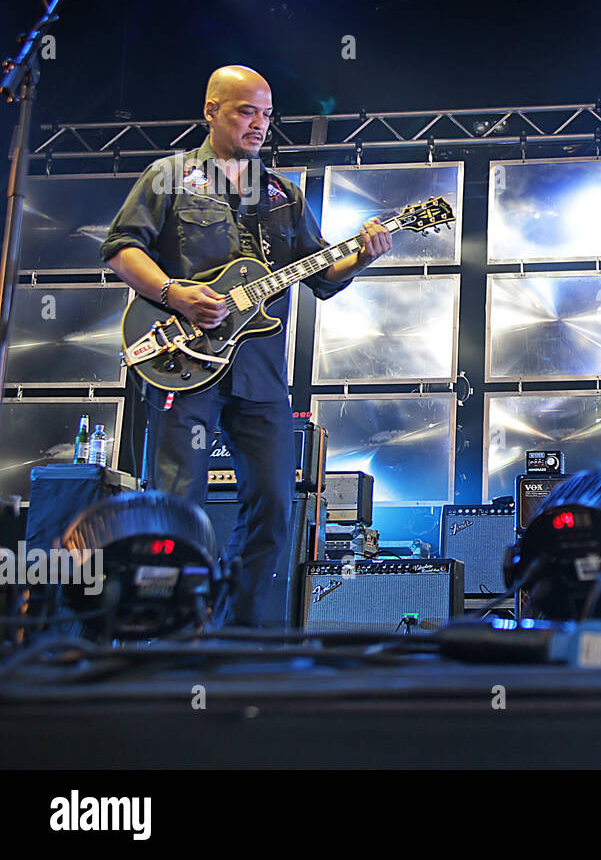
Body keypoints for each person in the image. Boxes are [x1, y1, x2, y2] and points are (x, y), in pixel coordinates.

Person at [101, 65, 393, 626]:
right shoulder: (168, 176)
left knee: (276, 507)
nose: (259, 124)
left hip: (259, 372)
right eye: (245, 111)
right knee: (176, 506)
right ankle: (168, 635)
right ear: (211, 110)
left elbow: (321, 273)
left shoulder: (284, 192)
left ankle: (241, 636)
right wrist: (174, 292)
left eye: (266, 114)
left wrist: (365, 253)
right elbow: (121, 250)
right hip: (180, 360)